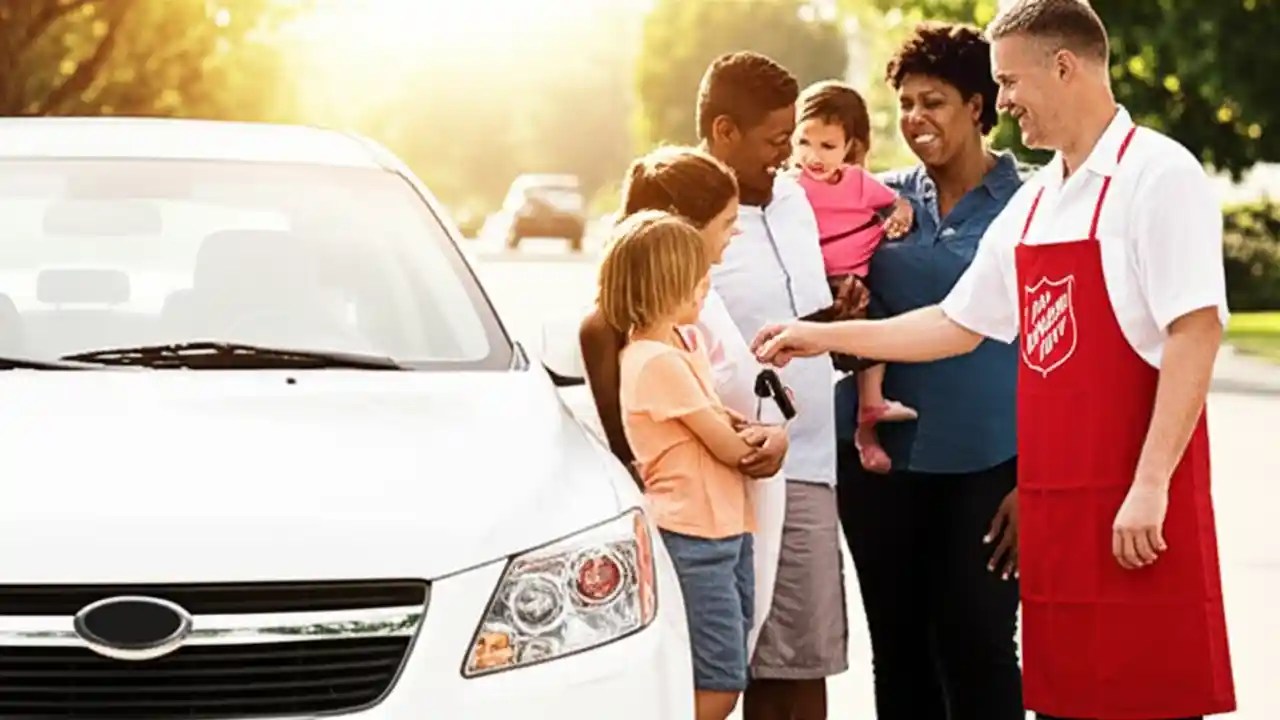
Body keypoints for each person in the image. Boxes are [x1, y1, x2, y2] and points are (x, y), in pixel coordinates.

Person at [753, 2, 1238, 719]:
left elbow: (1195, 333)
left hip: (1136, 502)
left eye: (1009, 81)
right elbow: (955, 324)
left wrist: (1150, 485)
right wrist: (822, 335)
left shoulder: (1159, 175)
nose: (1003, 101)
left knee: (1147, 698)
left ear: (1064, 67)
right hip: (1063, 508)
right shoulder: (1040, 198)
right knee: (1067, 697)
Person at [819, 22, 1028, 720]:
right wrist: (838, 312)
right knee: (901, 648)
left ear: (977, 104)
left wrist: (1038, 480)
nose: (914, 119)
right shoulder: (873, 200)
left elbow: (1060, 349)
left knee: (980, 642)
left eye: (932, 101)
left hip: (992, 466)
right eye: (905, 103)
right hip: (881, 466)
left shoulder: (1030, 205)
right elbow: (838, 325)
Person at [578, 145, 789, 658]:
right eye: (724, 222)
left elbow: (715, 405)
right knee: (714, 670)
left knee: (733, 654)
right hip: (694, 525)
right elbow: (633, 448)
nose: (733, 233)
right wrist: (756, 443)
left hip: (732, 514)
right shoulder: (632, 335)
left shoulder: (688, 318)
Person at [696, 51, 847, 720]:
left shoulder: (793, 199)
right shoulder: (675, 204)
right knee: (733, 671)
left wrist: (838, 310)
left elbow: (803, 315)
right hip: (727, 474)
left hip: (811, 465)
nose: (788, 154)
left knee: (804, 662)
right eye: (775, 140)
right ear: (724, 131)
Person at [597, 209, 757, 720]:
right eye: (695, 275)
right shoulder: (653, 360)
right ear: (664, 285)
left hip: (726, 529)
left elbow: (718, 417)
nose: (706, 283)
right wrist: (769, 439)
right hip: (694, 537)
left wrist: (741, 430)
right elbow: (730, 446)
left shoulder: (682, 346)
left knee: (726, 671)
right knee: (718, 682)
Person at [791, 79, 917, 474]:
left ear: (849, 149)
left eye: (828, 146)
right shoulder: (789, 188)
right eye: (804, 143)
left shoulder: (858, 183)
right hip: (815, 288)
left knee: (873, 331)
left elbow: (896, 201)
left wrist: (903, 211)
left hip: (854, 288)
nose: (813, 156)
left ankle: (869, 419)